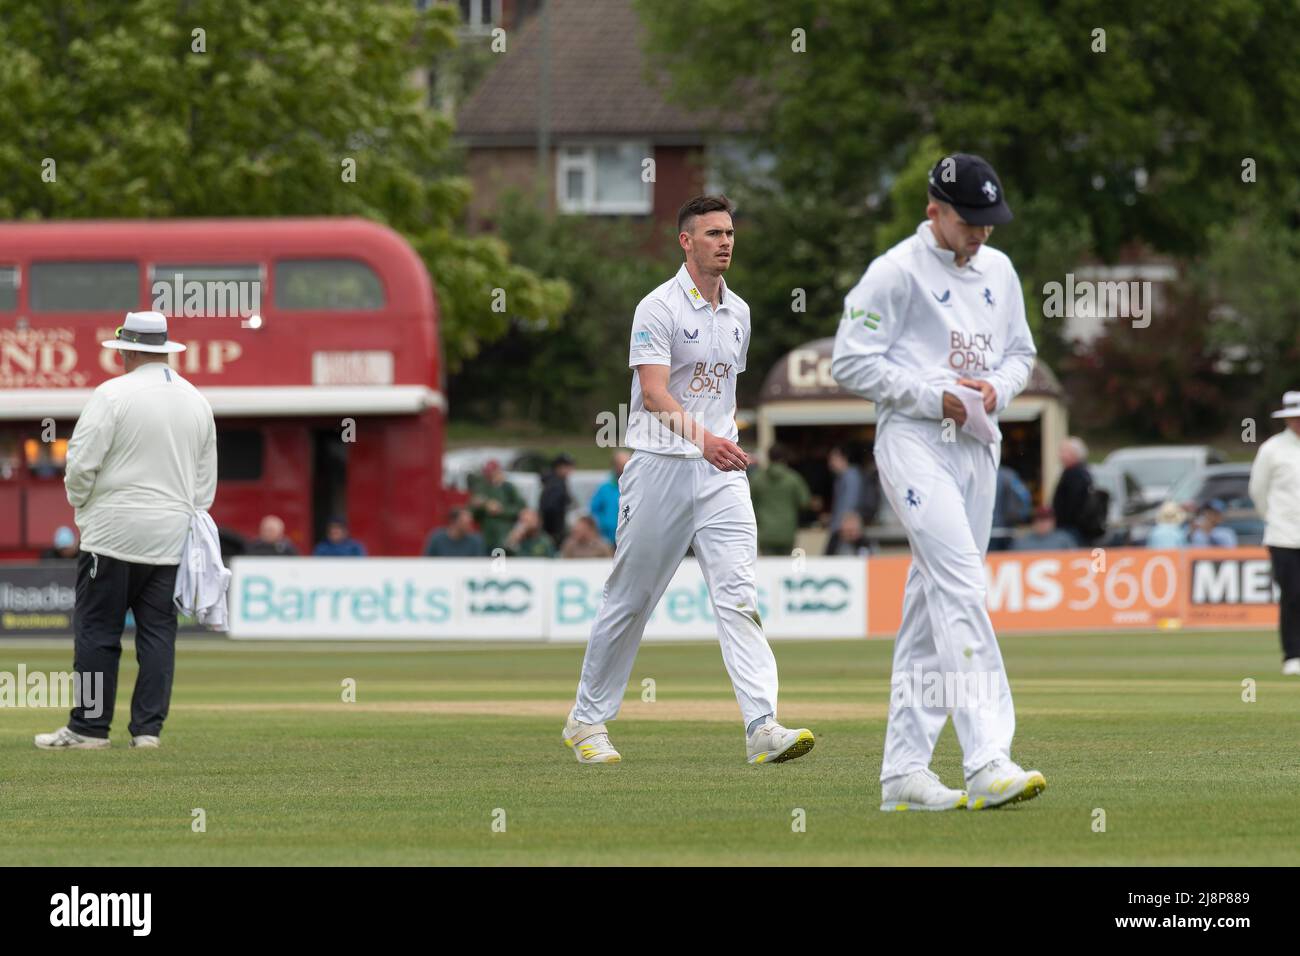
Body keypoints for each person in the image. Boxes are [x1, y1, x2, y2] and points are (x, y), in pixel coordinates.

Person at [563, 194, 814, 767]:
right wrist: (706, 441)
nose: (725, 242)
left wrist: (718, 445)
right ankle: (587, 720)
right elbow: (653, 394)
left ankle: (762, 724)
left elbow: (722, 394)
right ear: (686, 241)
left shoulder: (740, 312)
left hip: (721, 474)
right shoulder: (657, 308)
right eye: (712, 234)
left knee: (739, 595)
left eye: (729, 233)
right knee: (631, 599)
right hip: (659, 468)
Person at [831, 153, 1045, 811]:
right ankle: (988, 759)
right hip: (915, 442)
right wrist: (934, 397)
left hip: (977, 444)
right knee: (960, 585)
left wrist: (995, 388)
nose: (981, 232)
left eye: (989, 221)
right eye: (968, 220)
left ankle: (904, 774)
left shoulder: (1000, 270)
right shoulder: (893, 273)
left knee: (930, 608)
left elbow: (1021, 355)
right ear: (934, 211)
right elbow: (849, 362)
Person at [36, 311, 216, 751]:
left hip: (114, 531)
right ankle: (148, 731)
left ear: (129, 350)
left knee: (99, 630)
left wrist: (82, 505)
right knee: (158, 632)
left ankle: (89, 729)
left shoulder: (112, 394)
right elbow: (204, 483)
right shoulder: (197, 400)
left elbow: (81, 464)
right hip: (170, 534)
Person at [1249, 391, 1300, 675]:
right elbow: (1258, 491)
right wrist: (1273, 519)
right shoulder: (1272, 449)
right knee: (1293, 594)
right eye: (1294, 418)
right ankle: (1293, 655)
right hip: (1283, 536)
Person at [748, 444, 812, 556]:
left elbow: (748, 503)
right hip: (787, 530)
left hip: (765, 531)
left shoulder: (757, 479)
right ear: (785, 458)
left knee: (769, 568)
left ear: (769, 457)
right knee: (784, 567)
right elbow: (804, 502)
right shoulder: (793, 479)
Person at [469, 459, 524, 555]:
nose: (491, 476)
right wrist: (484, 505)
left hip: (507, 536)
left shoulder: (508, 488)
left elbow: (521, 509)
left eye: (494, 472)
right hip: (487, 537)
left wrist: (501, 510)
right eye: (489, 473)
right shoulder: (482, 488)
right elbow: (472, 513)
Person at [1052, 437, 1095, 546]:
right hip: (1073, 527)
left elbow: (1074, 502)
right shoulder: (1081, 471)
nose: (1060, 455)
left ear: (1075, 454)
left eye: (1064, 452)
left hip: (1071, 528)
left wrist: (1061, 520)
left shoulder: (1075, 474)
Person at [823, 445, 863, 554]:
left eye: (832, 459)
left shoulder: (851, 477)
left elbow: (849, 503)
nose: (830, 463)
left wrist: (845, 524)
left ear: (842, 458)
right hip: (839, 526)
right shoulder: (841, 478)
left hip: (844, 529)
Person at [589, 450, 630, 545]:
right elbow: (593, 510)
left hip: (629, 539)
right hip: (607, 539)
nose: (624, 468)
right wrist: (602, 525)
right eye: (621, 465)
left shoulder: (637, 488)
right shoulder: (605, 489)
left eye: (627, 464)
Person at [989, 463, 1032, 551]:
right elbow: (1024, 496)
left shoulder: (977, 473)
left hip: (989, 530)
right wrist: (1021, 516)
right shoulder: (1008, 475)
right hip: (1006, 529)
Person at [539, 452, 575, 543]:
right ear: (559, 467)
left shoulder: (552, 481)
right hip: (553, 531)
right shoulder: (556, 484)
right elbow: (549, 509)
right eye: (567, 467)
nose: (570, 470)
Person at [1011, 506, 1076, 551]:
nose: (1043, 523)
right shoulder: (1021, 542)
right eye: (1040, 519)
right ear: (1034, 522)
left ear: (1053, 521)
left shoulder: (1064, 540)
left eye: (1046, 520)